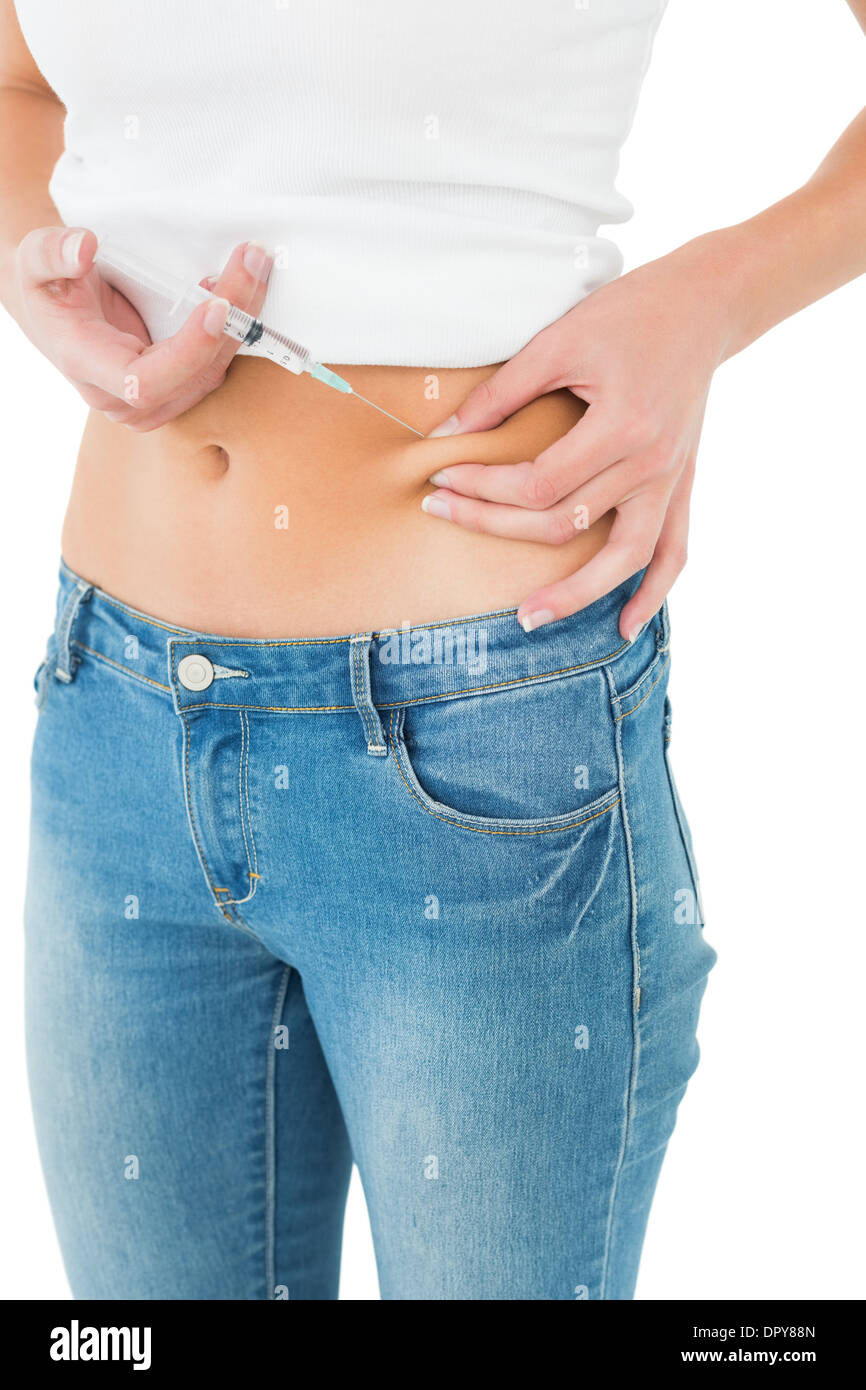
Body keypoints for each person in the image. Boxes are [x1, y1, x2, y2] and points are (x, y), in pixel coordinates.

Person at [3, 0, 864, 1300]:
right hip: (113, 718)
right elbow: (19, 82)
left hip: (479, 741)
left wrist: (706, 301)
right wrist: (33, 261)